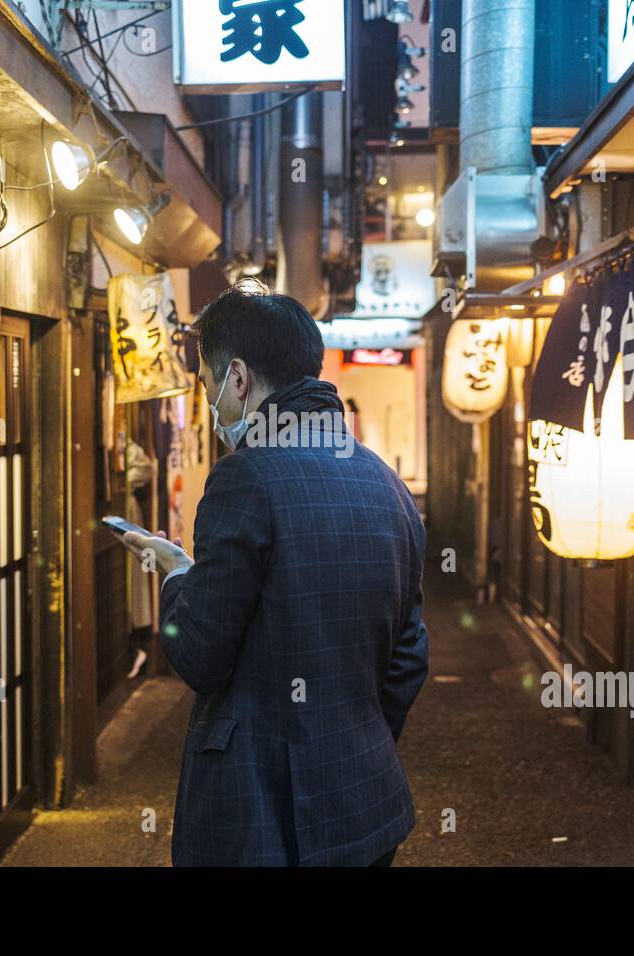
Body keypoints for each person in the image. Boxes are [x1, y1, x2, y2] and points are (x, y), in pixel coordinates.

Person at [121, 283, 429, 867]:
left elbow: (201, 656)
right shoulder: (387, 483)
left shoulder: (245, 478)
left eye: (209, 386)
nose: (212, 404)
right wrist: (356, 739)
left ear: (238, 378)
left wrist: (176, 577)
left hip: (263, 814)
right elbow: (410, 656)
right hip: (367, 804)